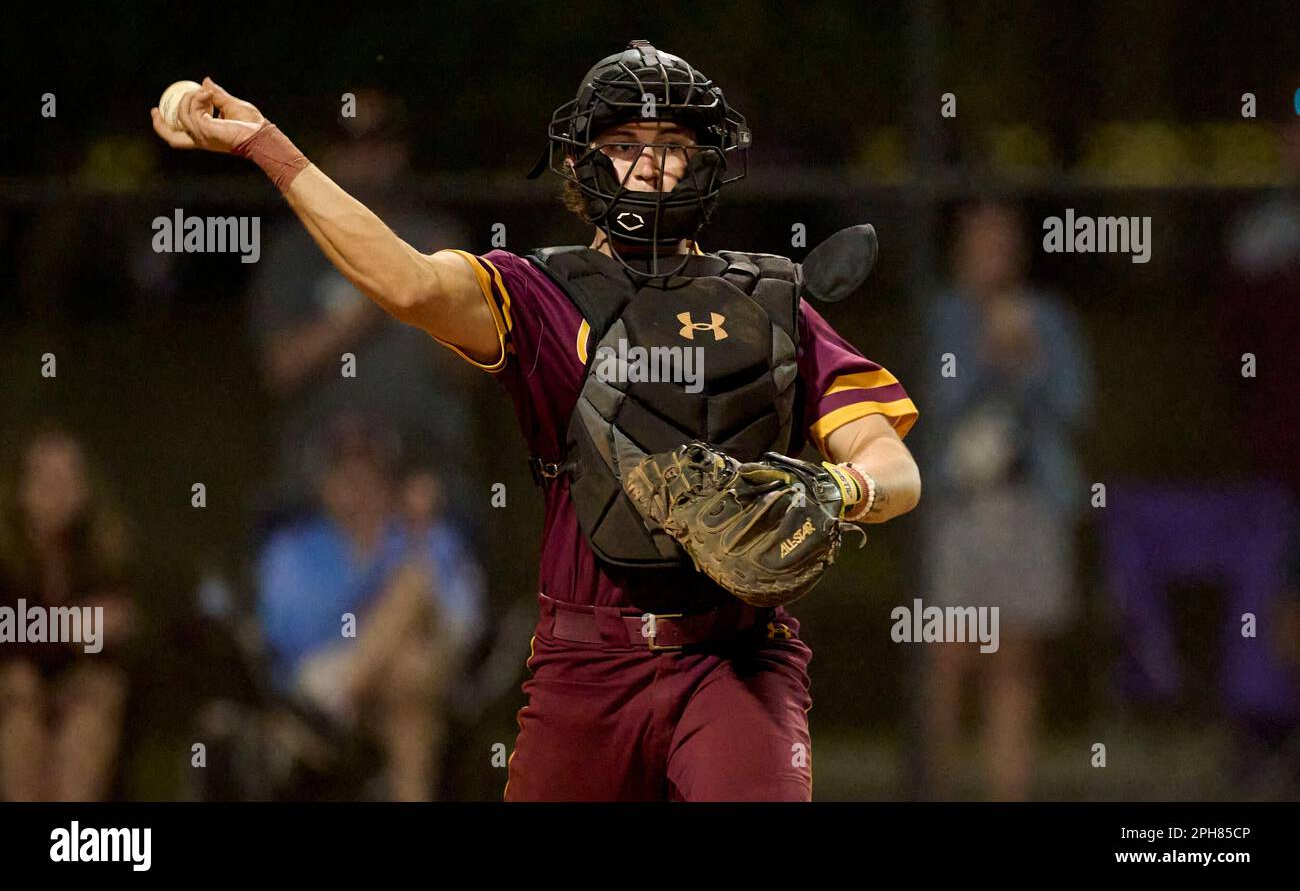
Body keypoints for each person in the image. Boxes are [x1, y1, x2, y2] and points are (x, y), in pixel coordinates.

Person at [151, 40, 921, 802]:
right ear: (583, 162)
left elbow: (892, 466)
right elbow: (408, 282)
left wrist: (835, 491)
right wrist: (267, 144)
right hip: (584, 670)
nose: (649, 162)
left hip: (736, 661)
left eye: (672, 144)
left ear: (707, 160)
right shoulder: (537, 292)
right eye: (624, 144)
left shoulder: (770, 301)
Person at [920, 202, 1093, 800]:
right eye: (980, 243)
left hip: (1031, 500)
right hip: (961, 505)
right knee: (949, 659)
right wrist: (984, 357)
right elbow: (928, 410)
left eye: (1002, 243)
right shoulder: (940, 315)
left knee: (1017, 663)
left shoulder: (1049, 317)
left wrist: (1027, 360)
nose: (992, 256)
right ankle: (936, 788)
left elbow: (1075, 406)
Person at [246, 89, 478, 523]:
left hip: (428, 486)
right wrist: (374, 299)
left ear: (400, 150)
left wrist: (426, 296)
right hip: (314, 490)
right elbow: (280, 370)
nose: (365, 154)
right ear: (326, 153)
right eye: (349, 139)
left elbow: (471, 370)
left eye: (379, 138)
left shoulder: (440, 241)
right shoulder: (293, 250)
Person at [255, 412, 485, 801]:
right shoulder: (292, 549)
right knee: (408, 674)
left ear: (391, 483)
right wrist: (374, 599)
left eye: (371, 476)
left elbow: (464, 621)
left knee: (415, 589)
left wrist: (415, 536)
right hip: (327, 669)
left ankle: (335, 707)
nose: (359, 489)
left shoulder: (424, 535)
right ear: (323, 485)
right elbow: (287, 632)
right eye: (346, 477)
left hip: (363, 686)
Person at [0, 426, 137, 801]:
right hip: (16, 699)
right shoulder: (7, 559)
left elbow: (118, 628)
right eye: (45, 478)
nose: (57, 491)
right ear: (21, 489)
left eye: (68, 477)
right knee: (19, 718)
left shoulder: (100, 557)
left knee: (91, 716)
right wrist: (68, 628)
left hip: (78, 698)